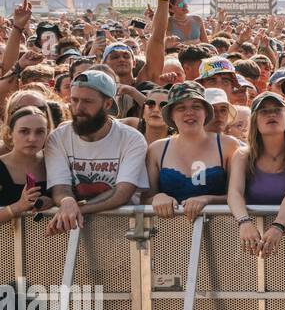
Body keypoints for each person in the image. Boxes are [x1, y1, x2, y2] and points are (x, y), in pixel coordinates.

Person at [45, 71, 150, 234]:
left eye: (87, 101)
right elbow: (60, 188)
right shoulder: (58, 137)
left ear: (107, 104)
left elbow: (122, 192)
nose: (78, 108)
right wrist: (66, 201)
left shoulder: (131, 139)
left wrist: (75, 209)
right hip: (74, 231)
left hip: (124, 231)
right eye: (74, 100)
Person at [146, 82, 240, 222]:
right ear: (171, 115)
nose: (189, 112)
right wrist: (158, 197)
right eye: (181, 108)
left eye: (196, 107)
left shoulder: (229, 146)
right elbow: (145, 198)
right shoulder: (156, 150)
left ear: (206, 112)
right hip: (168, 235)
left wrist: (208, 200)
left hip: (221, 232)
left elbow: (238, 194)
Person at [228, 91, 285, 257]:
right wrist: (244, 222)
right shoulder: (242, 155)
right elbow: (234, 192)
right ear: (255, 121)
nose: (272, 114)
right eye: (264, 111)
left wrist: (278, 226)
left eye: (277, 110)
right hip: (252, 241)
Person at [0, 105, 52, 220]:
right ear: (10, 133)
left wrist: (52, 201)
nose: (32, 138)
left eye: (40, 132)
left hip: (53, 237)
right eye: (24, 131)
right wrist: (18, 207)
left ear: (47, 133)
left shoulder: (53, 161)